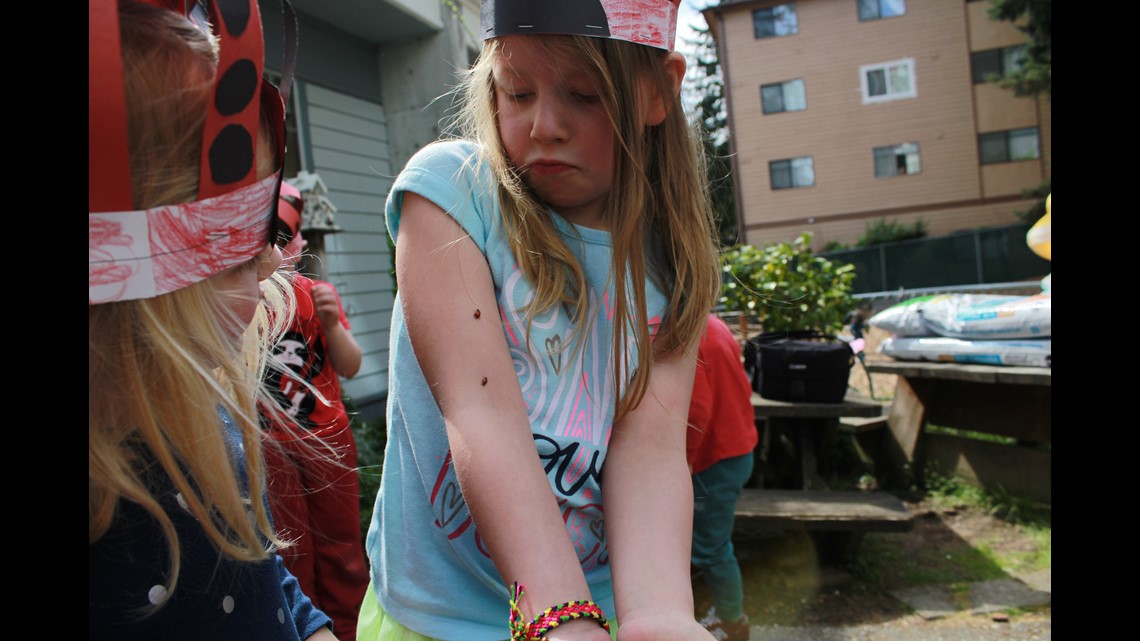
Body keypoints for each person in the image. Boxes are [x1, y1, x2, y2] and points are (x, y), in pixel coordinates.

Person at [358, 1, 723, 640]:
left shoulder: (668, 262)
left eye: (583, 94)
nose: (544, 125)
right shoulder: (450, 194)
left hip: (601, 606)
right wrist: (562, 618)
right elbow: (481, 414)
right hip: (443, 619)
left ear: (657, 91)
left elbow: (651, 450)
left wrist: (659, 615)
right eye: (517, 91)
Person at [88, 1, 337, 639]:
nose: (269, 271)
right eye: (235, 259)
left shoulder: (199, 407)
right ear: (124, 308)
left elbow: (257, 573)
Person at [261, 181, 370, 641]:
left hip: (326, 440)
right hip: (271, 447)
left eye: (288, 240)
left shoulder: (316, 293)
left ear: (302, 242)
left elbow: (350, 364)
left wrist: (329, 322)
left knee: (342, 546)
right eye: (271, 240)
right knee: (292, 551)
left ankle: (349, 630)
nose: (282, 251)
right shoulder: (252, 299)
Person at [687, 315, 760, 641]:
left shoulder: (688, 333)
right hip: (736, 447)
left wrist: (681, 464)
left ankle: (732, 621)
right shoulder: (712, 323)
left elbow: (696, 410)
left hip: (713, 458)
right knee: (712, 543)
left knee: (712, 549)